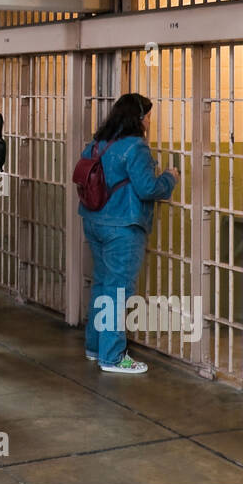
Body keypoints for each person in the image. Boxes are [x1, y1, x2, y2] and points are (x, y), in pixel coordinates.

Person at [79, 92, 179, 375]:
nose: (149, 121)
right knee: (118, 291)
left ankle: (95, 346)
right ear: (138, 118)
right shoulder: (136, 147)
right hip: (123, 226)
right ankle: (112, 357)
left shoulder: (97, 144)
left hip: (94, 221)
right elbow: (148, 189)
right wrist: (170, 177)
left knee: (101, 285)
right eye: (147, 115)